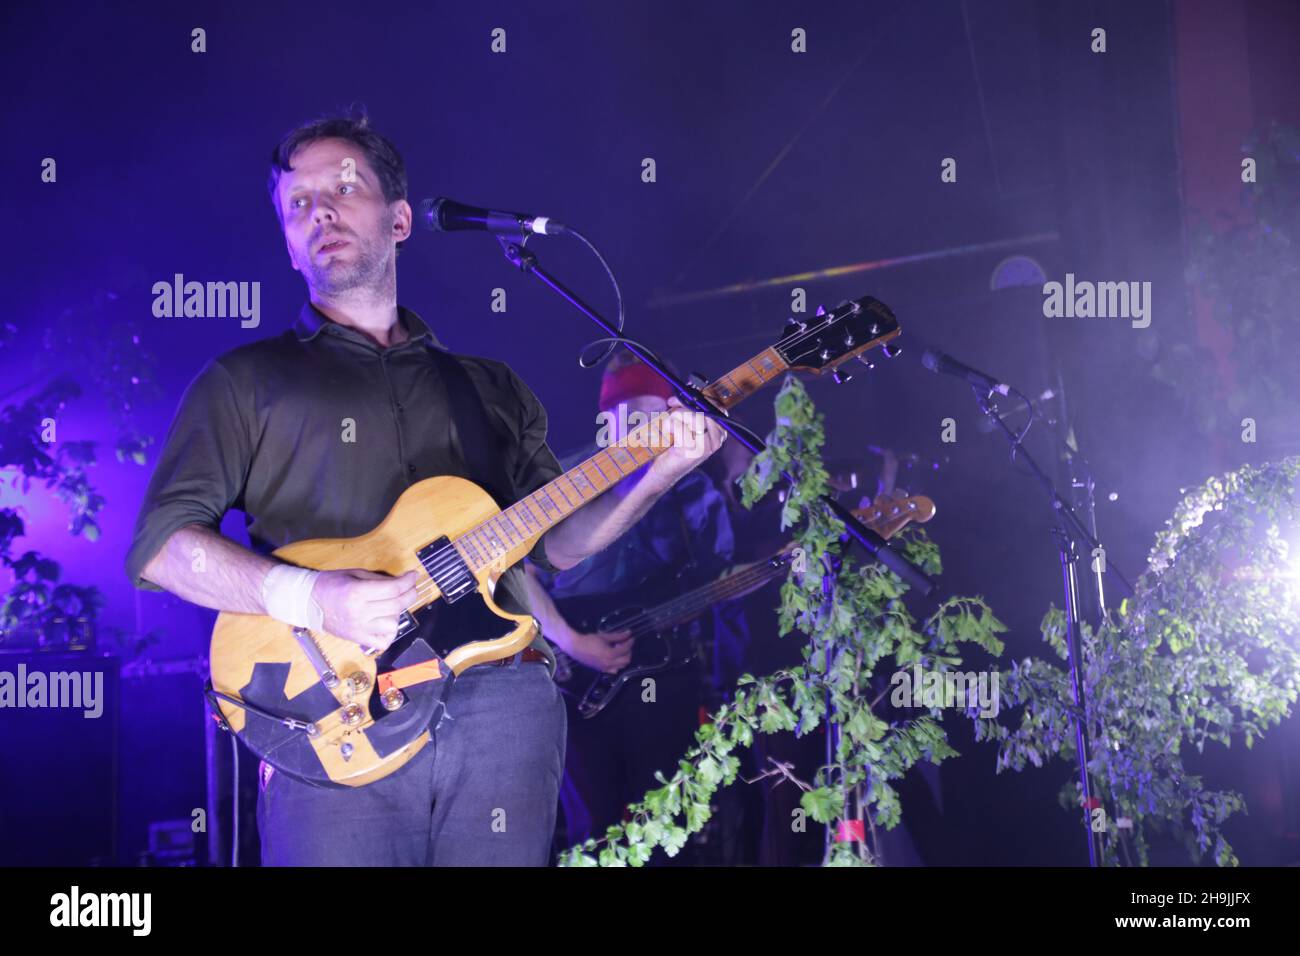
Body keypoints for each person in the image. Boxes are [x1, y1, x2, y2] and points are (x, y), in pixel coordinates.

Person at [124, 113, 726, 867]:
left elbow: (560, 545)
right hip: (333, 706)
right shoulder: (246, 381)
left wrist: (658, 475)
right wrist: (313, 598)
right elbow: (162, 550)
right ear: (286, 242)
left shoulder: (489, 387)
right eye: (298, 204)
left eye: (343, 187)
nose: (321, 212)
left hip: (502, 704)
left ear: (402, 217)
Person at [521, 352, 746, 863]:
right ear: (609, 419)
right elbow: (520, 573)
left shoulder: (695, 491)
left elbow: (714, 579)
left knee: (670, 820)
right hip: (576, 674)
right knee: (592, 826)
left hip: (664, 673)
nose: (647, 432)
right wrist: (572, 641)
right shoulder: (568, 474)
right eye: (634, 419)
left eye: (657, 418)